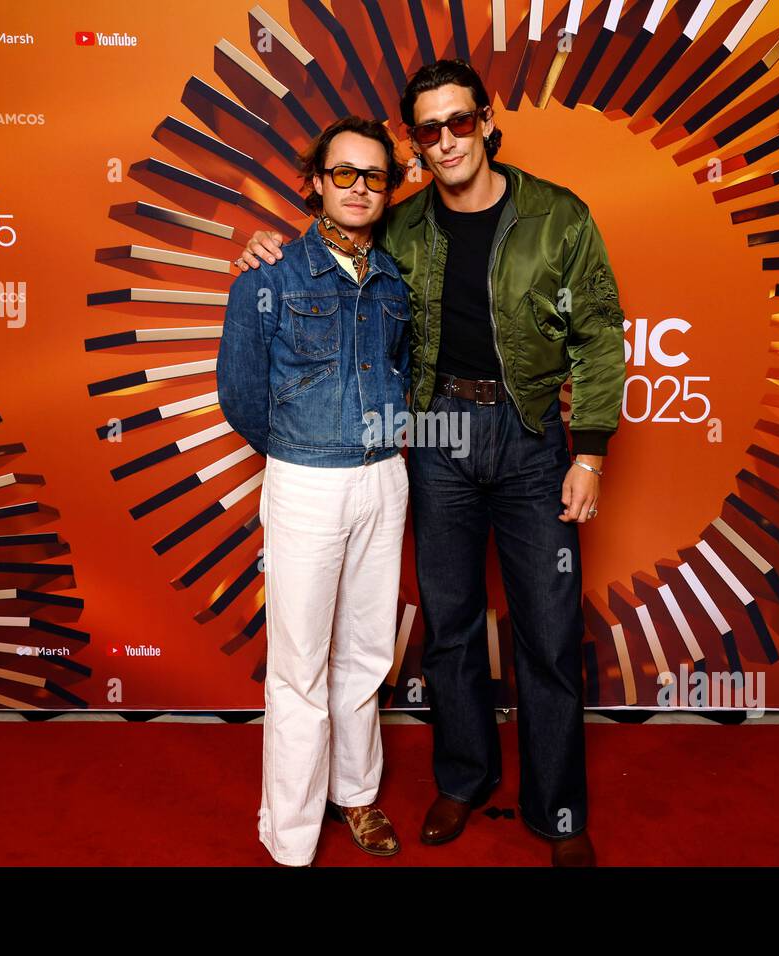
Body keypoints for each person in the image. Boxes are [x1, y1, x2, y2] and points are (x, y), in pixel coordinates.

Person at [237, 60, 626, 867]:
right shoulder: (402, 228)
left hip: (528, 439)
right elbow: (328, 251)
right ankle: (464, 779)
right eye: (428, 130)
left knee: (548, 634)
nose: (446, 140)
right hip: (437, 436)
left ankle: (558, 812)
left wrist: (587, 450)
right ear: (416, 145)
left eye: (460, 122)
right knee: (449, 625)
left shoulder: (558, 216)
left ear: (486, 121)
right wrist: (263, 247)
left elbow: (600, 331)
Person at [217, 116, 412, 866]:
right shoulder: (267, 278)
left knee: (365, 654)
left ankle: (357, 797)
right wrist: (300, 450)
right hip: (304, 482)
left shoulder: (394, 279)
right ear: (316, 182)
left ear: (389, 190)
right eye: (344, 174)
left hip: (384, 479)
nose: (359, 188)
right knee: (299, 668)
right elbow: (240, 393)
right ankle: (292, 837)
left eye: (375, 176)